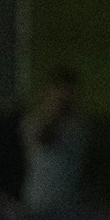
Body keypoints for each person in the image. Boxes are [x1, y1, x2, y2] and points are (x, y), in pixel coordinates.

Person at [23, 66, 87, 212]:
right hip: (39, 202)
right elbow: (44, 138)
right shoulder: (33, 122)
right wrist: (53, 113)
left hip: (68, 202)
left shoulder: (78, 125)